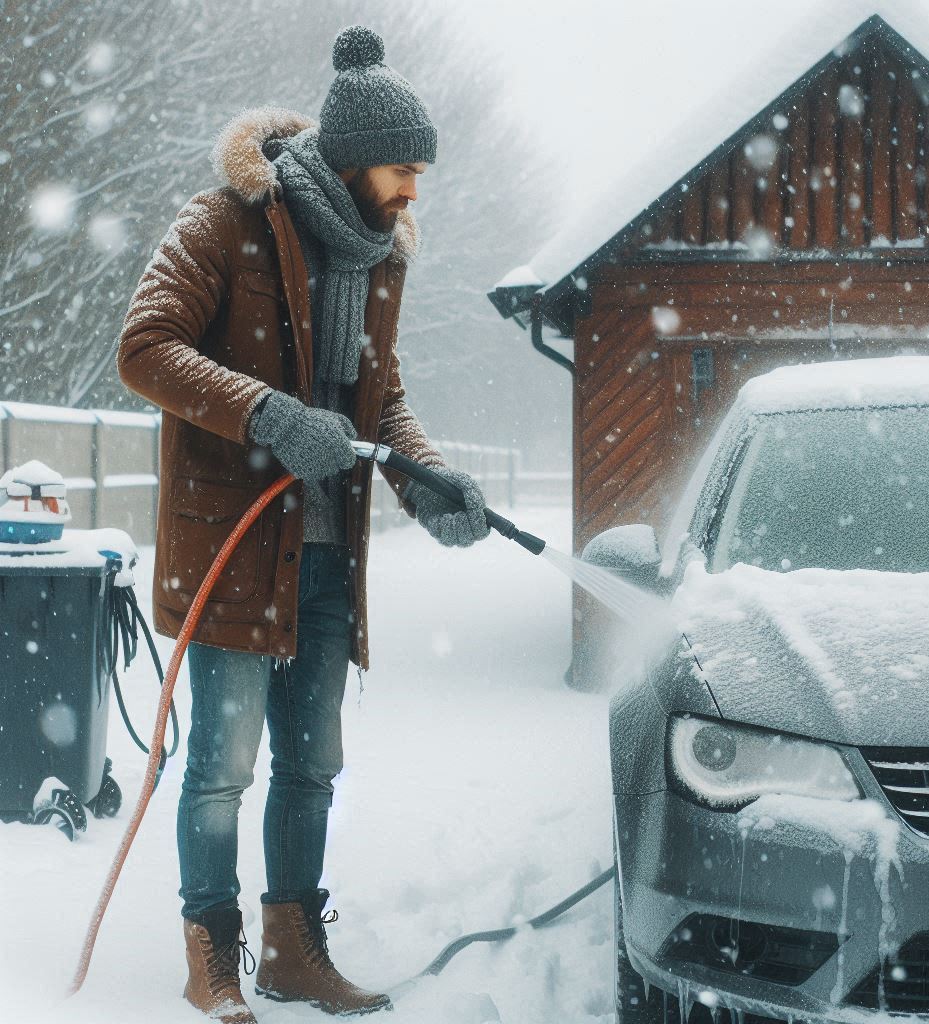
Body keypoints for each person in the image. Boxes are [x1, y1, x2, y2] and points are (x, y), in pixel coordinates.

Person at [118, 24, 489, 1022]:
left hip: (329, 554)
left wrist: (431, 481)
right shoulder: (224, 221)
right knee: (222, 770)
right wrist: (268, 413)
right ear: (354, 153)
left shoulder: (380, 255)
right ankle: (213, 957)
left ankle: (292, 951)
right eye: (403, 168)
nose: (413, 188)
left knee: (312, 764)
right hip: (236, 546)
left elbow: (383, 395)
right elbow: (144, 348)